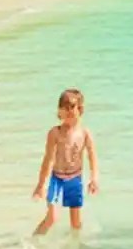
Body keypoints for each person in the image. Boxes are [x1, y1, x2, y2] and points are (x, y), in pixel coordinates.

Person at [31, 89, 99, 235]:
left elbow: (92, 157)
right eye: (64, 107)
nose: (68, 111)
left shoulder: (85, 133)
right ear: (59, 111)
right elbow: (48, 159)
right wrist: (41, 185)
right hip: (57, 179)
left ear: (80, 109)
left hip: (75, 179)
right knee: (52, 218)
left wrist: (94, 179)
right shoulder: (55, 133)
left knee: (75, 222)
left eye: (72, 107)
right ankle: (34, 241)